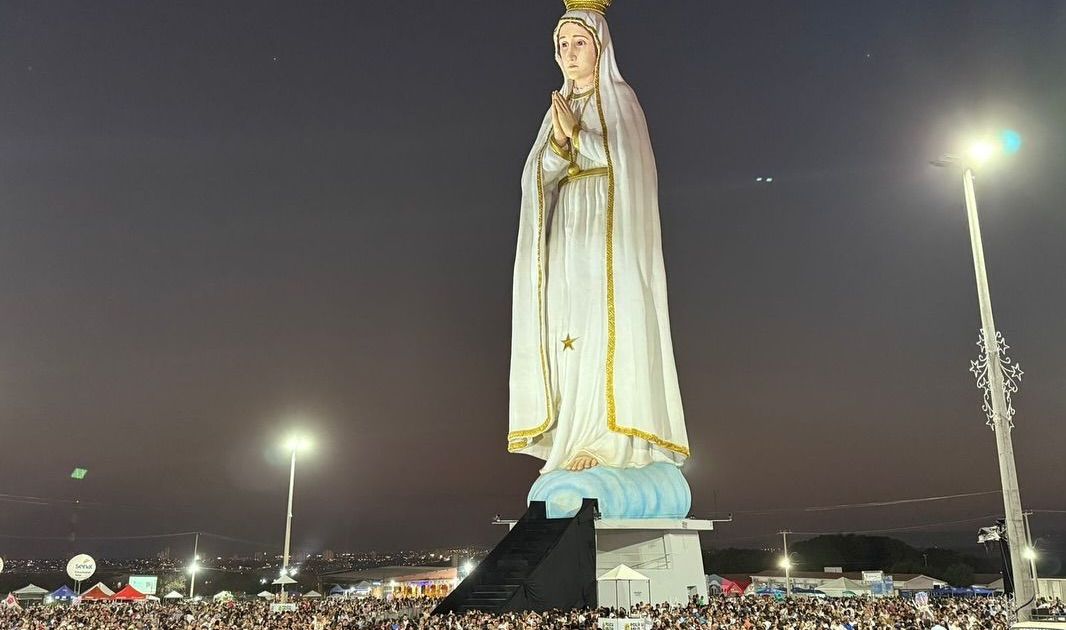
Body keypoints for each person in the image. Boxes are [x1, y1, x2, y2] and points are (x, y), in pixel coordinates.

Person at [508, 0, 690, 474]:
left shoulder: (620, 99)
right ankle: (574, 432)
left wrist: (579, 140)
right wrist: (562, 141)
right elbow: (537, 174)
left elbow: (628, 165)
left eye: (579, 43)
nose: (569, 53)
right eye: (562, 45)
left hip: (609, 231)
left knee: (606, 327)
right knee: (570, 327)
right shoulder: (560, 109)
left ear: (600, 47)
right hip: (570, 230)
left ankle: (610, 441)